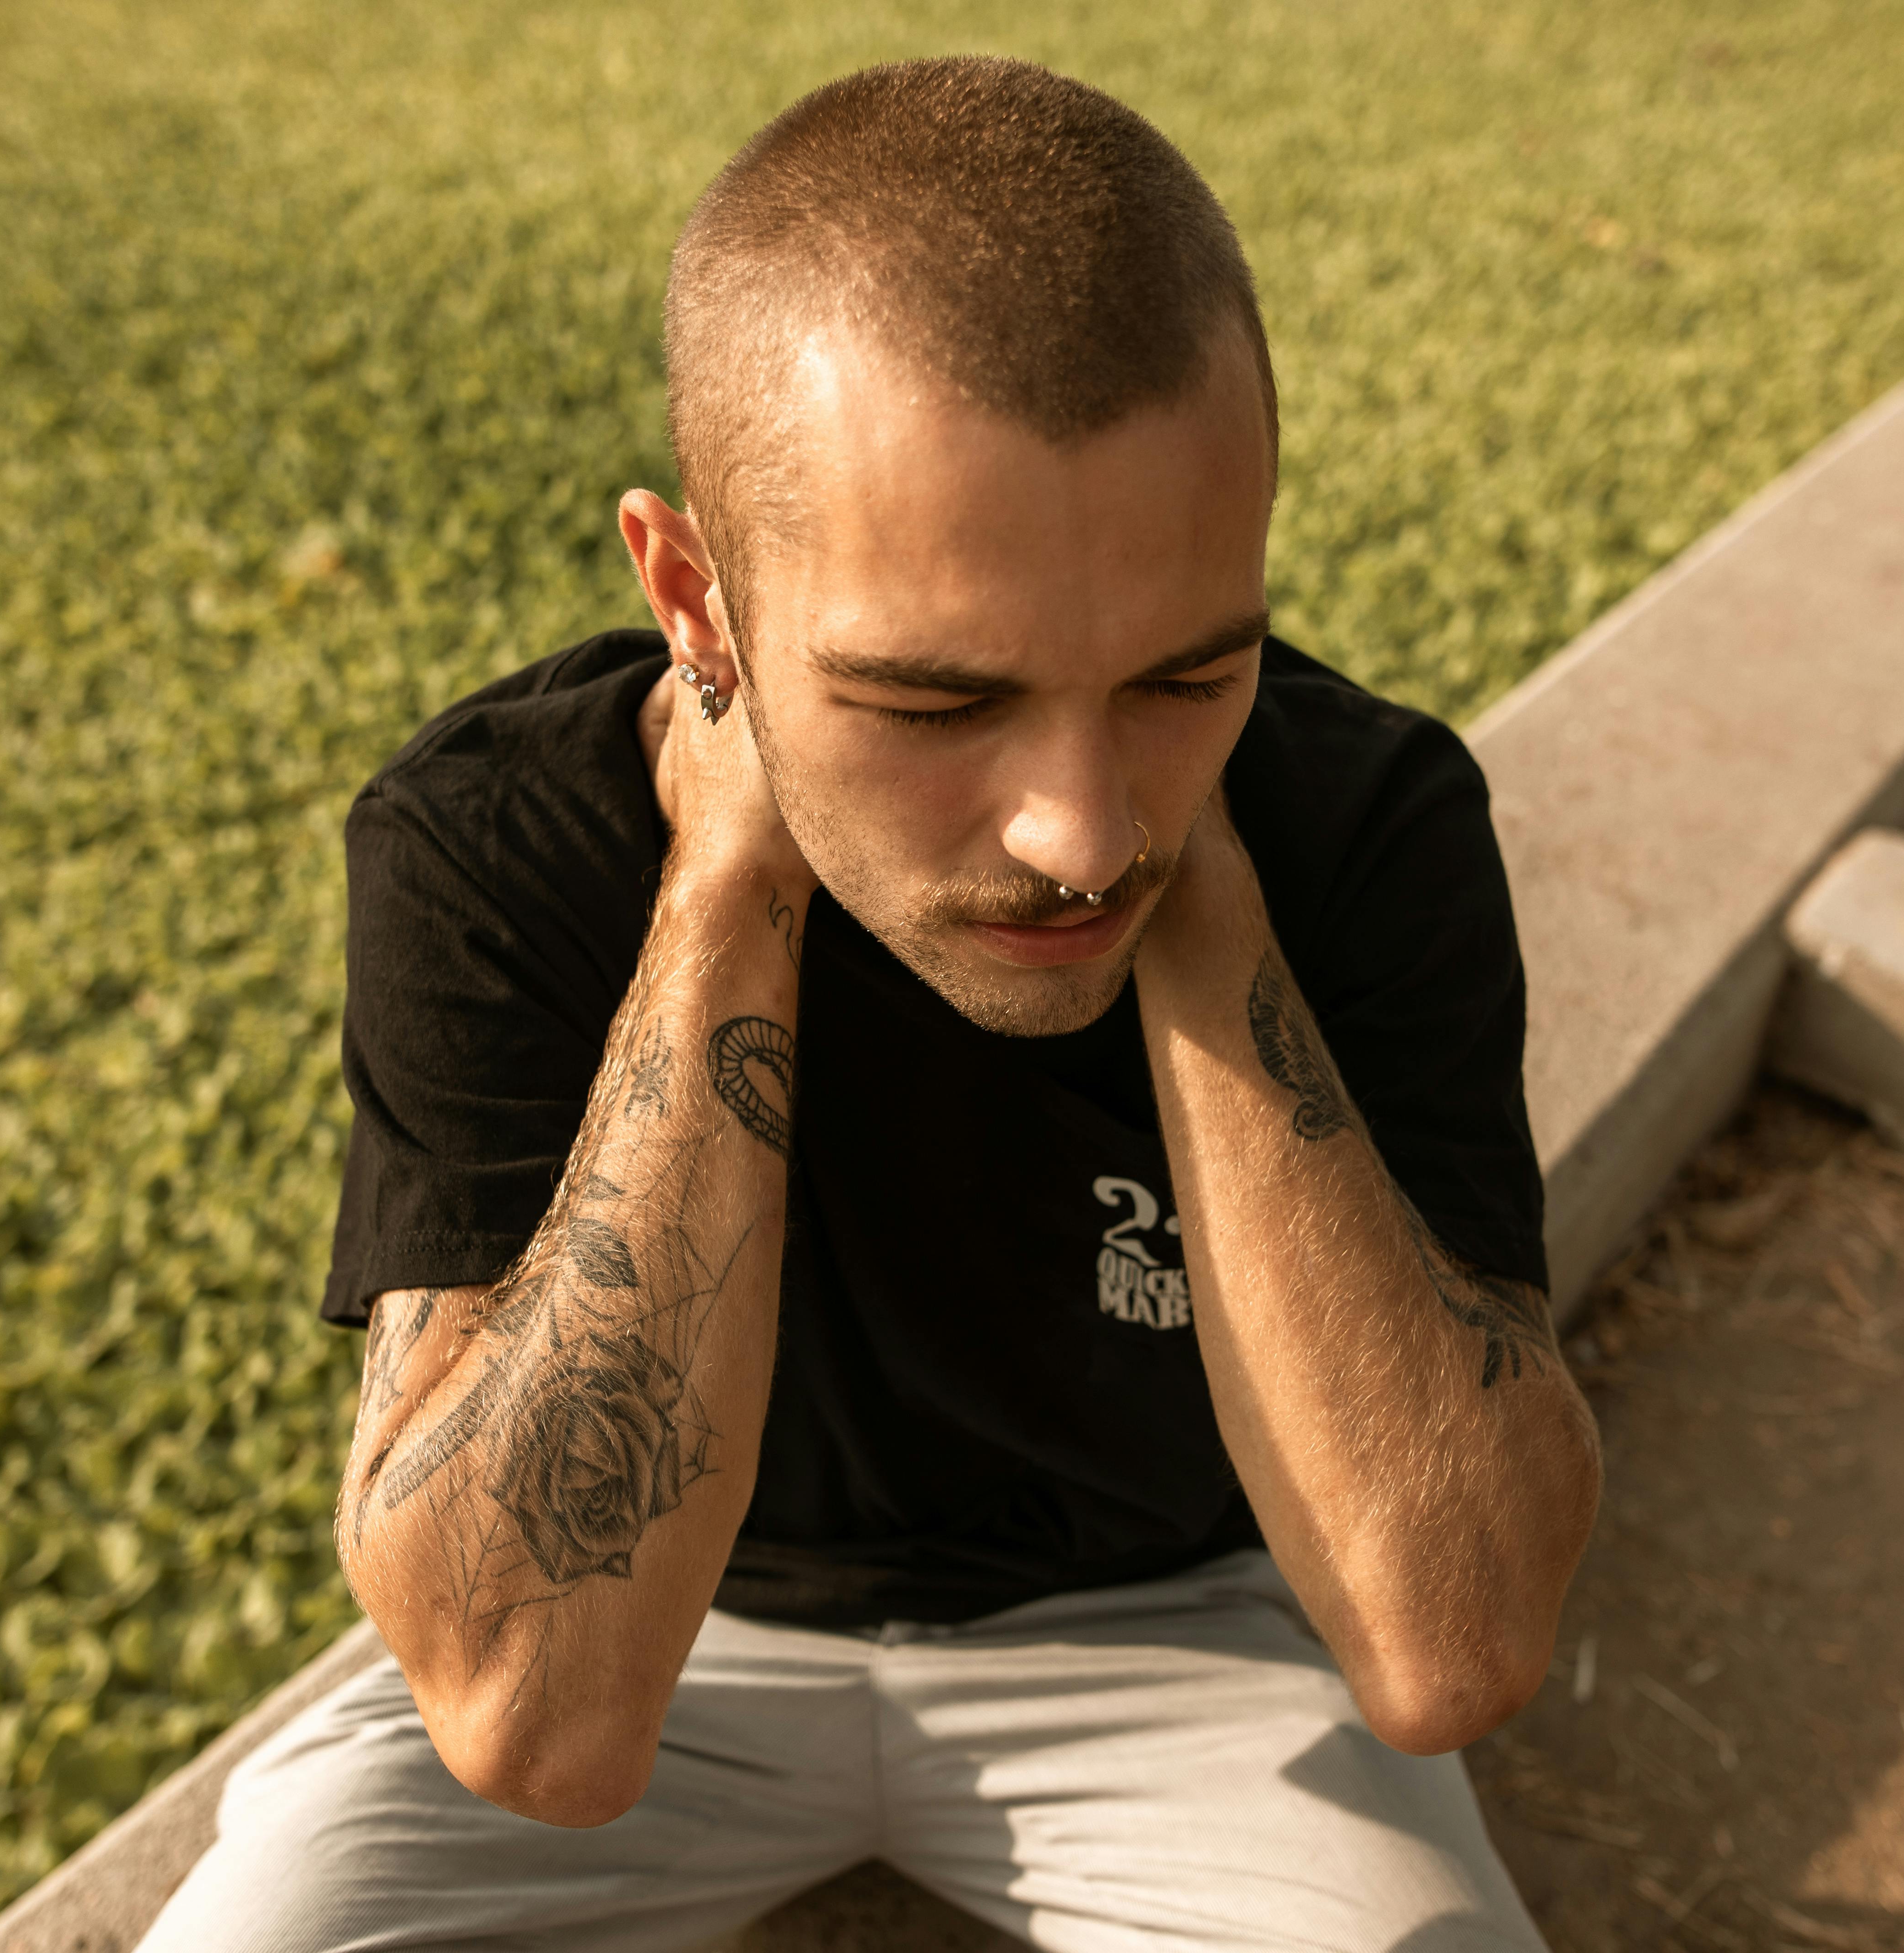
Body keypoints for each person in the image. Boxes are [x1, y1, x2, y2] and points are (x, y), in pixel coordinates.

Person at [139, 55, 1598, 1953]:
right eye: (937, 703)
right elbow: (540, 1712)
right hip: (689, 1637)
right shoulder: (490, 844)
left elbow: (1440, 1637)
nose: (1081, 830)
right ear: (694, 597)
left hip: (1181, 1636)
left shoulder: (1361, 817)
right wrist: (727, 886)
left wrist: (1207, 893)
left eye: (1185, 673)